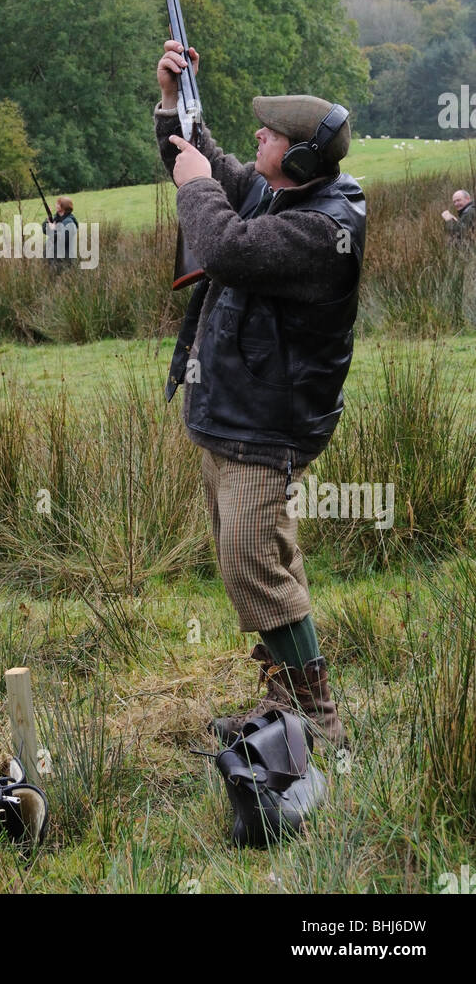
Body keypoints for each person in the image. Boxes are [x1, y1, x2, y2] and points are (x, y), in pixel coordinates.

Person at [154, 40, 365, 749]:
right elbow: (205, 157)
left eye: (269, 135)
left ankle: (318, 721)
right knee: (259, 560)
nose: (257, 139)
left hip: (267, 425)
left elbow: (225, 246)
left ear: (300, 159)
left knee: (253, 566)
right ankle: (287, 706)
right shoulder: (285, 190)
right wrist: (171, 99)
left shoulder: (320, 228)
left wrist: (192, 186)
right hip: (233, 413)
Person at [43, 196, 78, 269]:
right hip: (54, 259)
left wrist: (53, 230)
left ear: (63, 207)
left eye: (58, 204)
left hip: (64, 262)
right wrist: (48, 218)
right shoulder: (57, 218)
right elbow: (45, 230)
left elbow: (62, 240)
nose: (55, 205)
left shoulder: (69, 223)